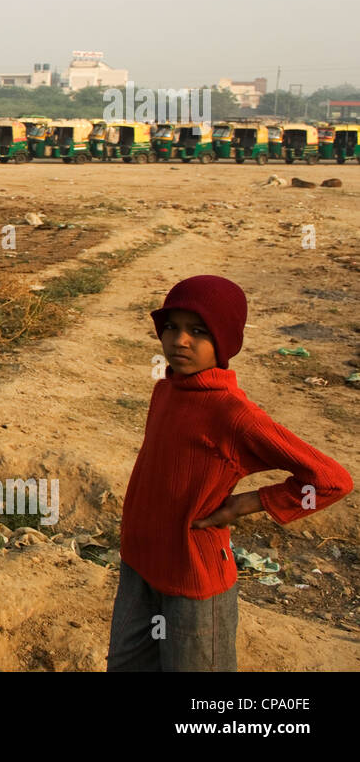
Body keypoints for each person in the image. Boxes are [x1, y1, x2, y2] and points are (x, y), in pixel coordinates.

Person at [107, 275, 353, 672]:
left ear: (224, 341)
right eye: (172, 327)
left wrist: (247, 503)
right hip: (140, 564)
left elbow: (331, 479)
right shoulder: (167, 389)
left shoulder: (232, 413)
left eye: (198, 331)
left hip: (194, 581)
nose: (180, 340)